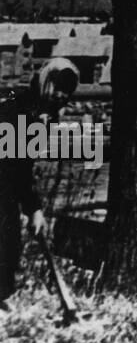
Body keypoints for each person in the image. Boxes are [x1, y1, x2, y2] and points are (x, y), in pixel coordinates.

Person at [0, 59, 78, 305]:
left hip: (7, 186)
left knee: (8, 247)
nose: (62, 95)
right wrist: (33, 208)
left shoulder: (44, 115)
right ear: (45, 82)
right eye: (58, 86)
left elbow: (22, 166)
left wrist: (32, 207)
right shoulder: (19, 111)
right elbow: (15, 166)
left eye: (67, 90)